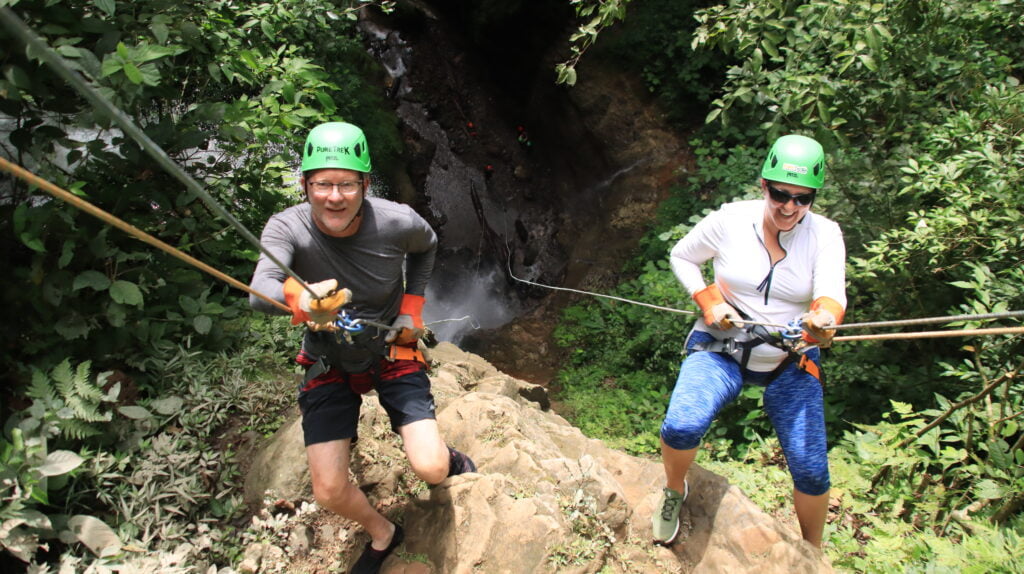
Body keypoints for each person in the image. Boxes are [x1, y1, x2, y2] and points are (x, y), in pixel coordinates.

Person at [249, 122, 477, 574]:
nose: (334, 196)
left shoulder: (396, 220)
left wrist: (411, 308)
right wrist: (302, 299)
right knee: (329, 490)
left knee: (431, 469)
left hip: (391, 348)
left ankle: (446, 457)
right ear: (305, 184)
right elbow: (260, 289)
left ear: (365, 185)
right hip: (328, 359)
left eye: (347, 184)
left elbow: (427, 246)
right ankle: (384, 532)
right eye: (322, 184)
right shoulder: (287, 227)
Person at [652, 134, 846, 548]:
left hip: (790, 355)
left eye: (802, 198)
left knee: (811, 469)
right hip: (723, 342)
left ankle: (813, 551)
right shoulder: (730, 220)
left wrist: (822, 321)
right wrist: (709, 300)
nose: (789, 207)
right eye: (780, 194)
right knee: (683, 424)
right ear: (764, 186)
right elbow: (682, 256)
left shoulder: (824, 236)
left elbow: (831, 297)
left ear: (812, 198)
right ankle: (673, 489)